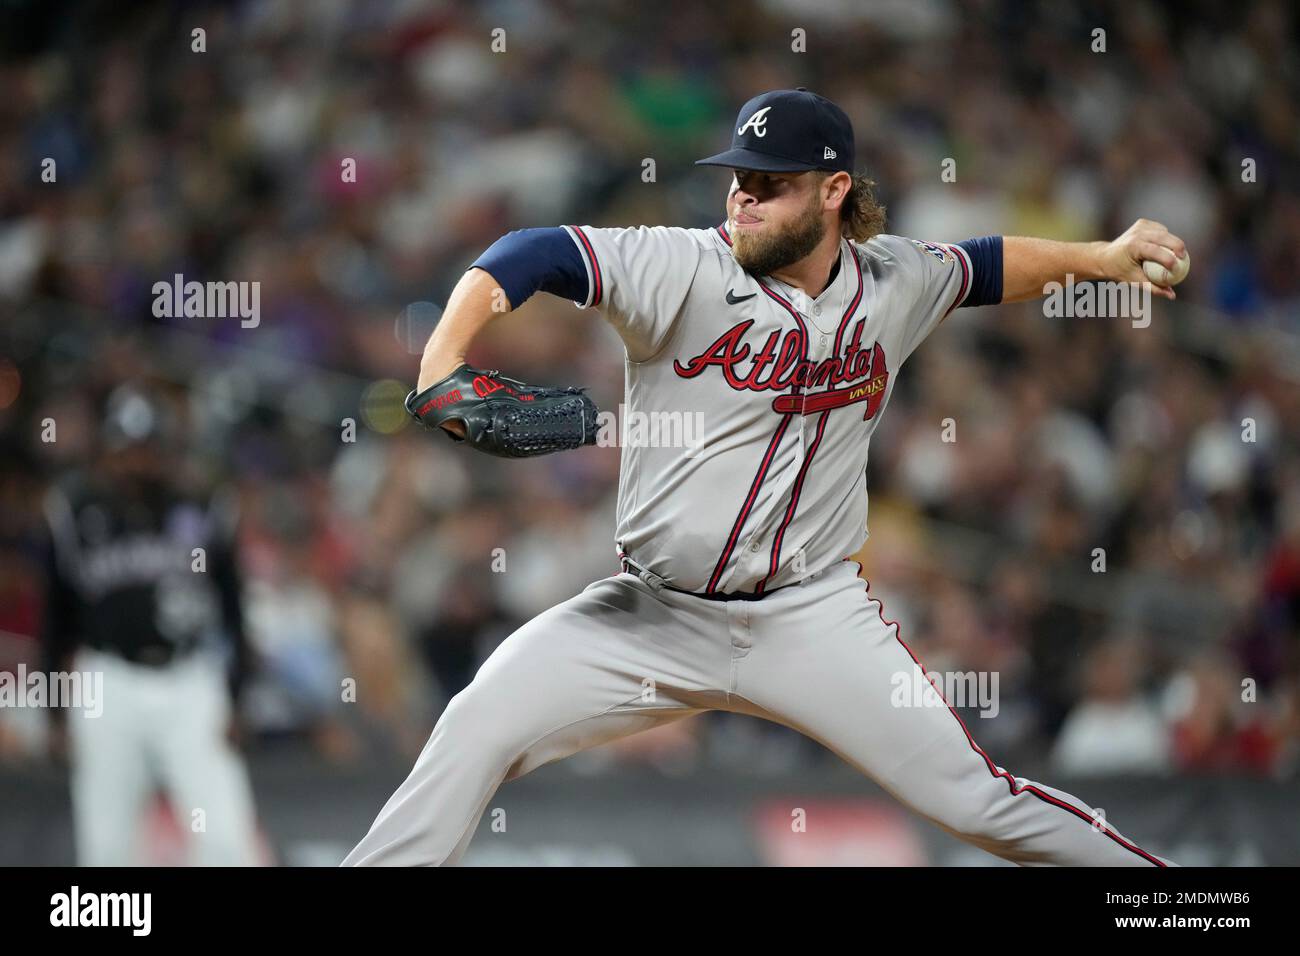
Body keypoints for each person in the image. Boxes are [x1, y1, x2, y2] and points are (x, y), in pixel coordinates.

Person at [344, 88, 1184, 866]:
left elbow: (988, 265)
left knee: (978, 803)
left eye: (768, 183)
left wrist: (1105, 258)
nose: (741, 198)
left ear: (833, 190)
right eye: (737, 180)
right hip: (651, 615)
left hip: (812, 619)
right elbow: (533, 252)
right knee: (476, 724)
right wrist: (442, 359)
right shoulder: (682, 268)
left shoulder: (894, 279)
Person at [41, 382, 260, 865]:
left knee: (226, 839)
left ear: (165, 449)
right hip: (107, 680)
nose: (137, 461)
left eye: (147, 448)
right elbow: (57, 618)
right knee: (107, 846)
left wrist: (237, 695)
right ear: (108, 451)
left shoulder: (202, 506)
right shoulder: (77, 511)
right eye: (127, 449)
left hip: (190, 679)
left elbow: (234, 609)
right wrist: (54, 712)